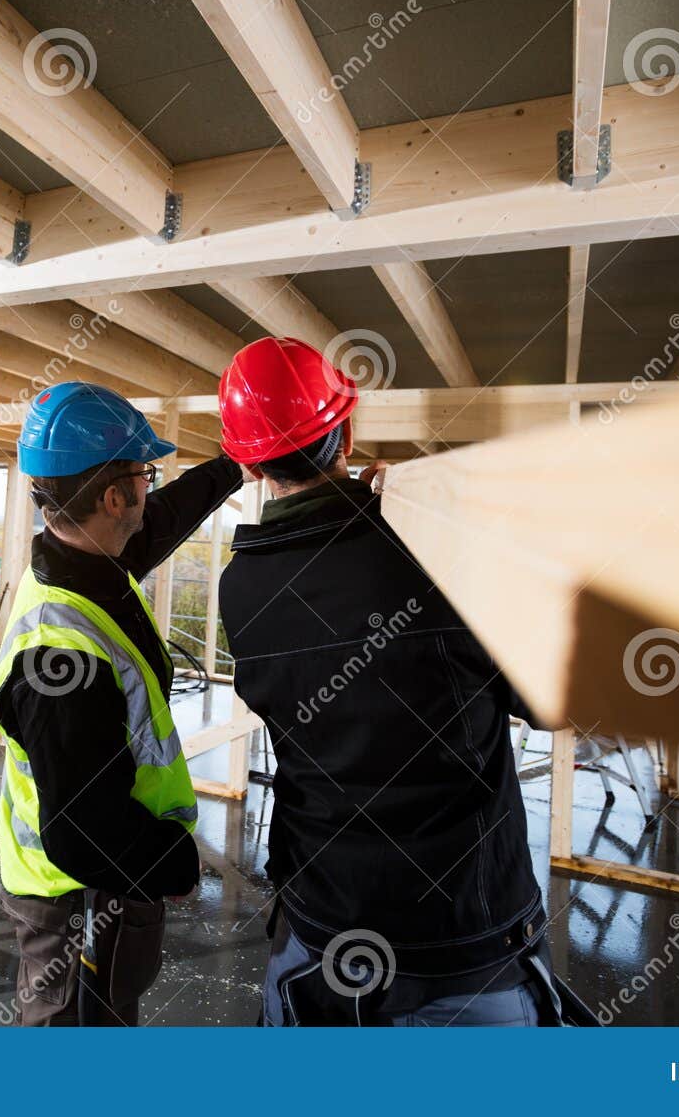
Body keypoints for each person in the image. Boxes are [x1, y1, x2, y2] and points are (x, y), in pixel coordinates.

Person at [216, 336, 559, 1027]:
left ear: (249, 463)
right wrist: (431, 521)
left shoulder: (240, 589)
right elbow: (546, 700)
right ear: (344, 436)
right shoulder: (438, 552)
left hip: (323, 931)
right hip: (464, 939)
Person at [0, 381, 241, 1025]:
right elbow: (80, 832)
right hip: (76, 903)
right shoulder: (60, 656)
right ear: (112, 497)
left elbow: (162, 520)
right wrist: (175, 864)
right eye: (144, 477)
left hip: (97, 892)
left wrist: (234, 465)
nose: (151, 490)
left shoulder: (86, 558)